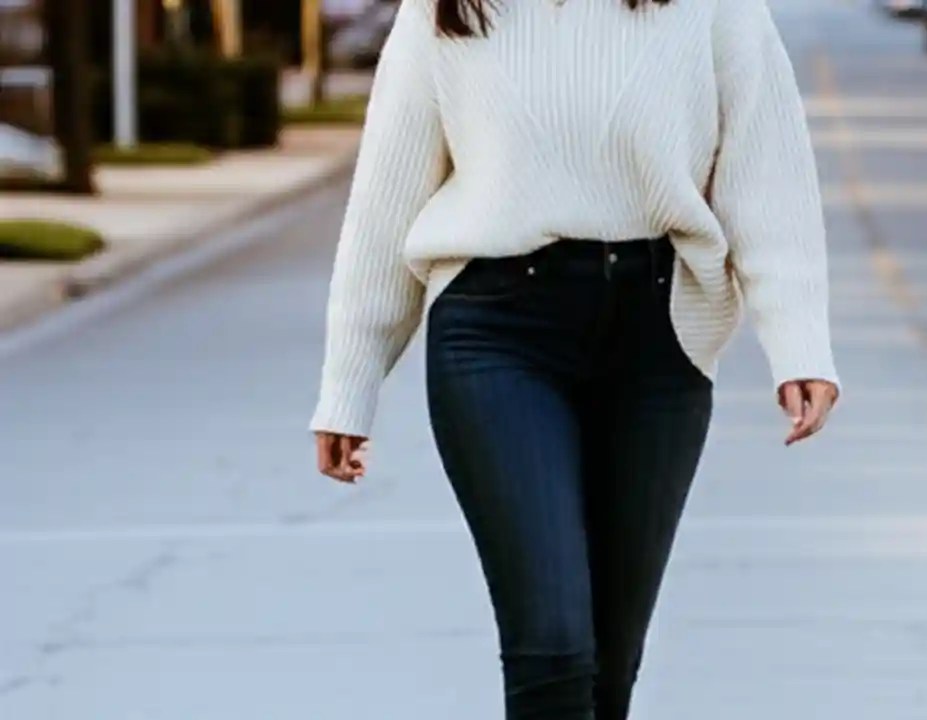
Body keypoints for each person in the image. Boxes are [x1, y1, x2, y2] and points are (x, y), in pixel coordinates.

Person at [310, 0, 840, 717]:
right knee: (552, 646)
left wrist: (798, 339)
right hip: (496, 334)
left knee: (608, 667)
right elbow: (385, 197)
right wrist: (350, 380)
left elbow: (765, 168)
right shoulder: (446, 10)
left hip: (659, 341)